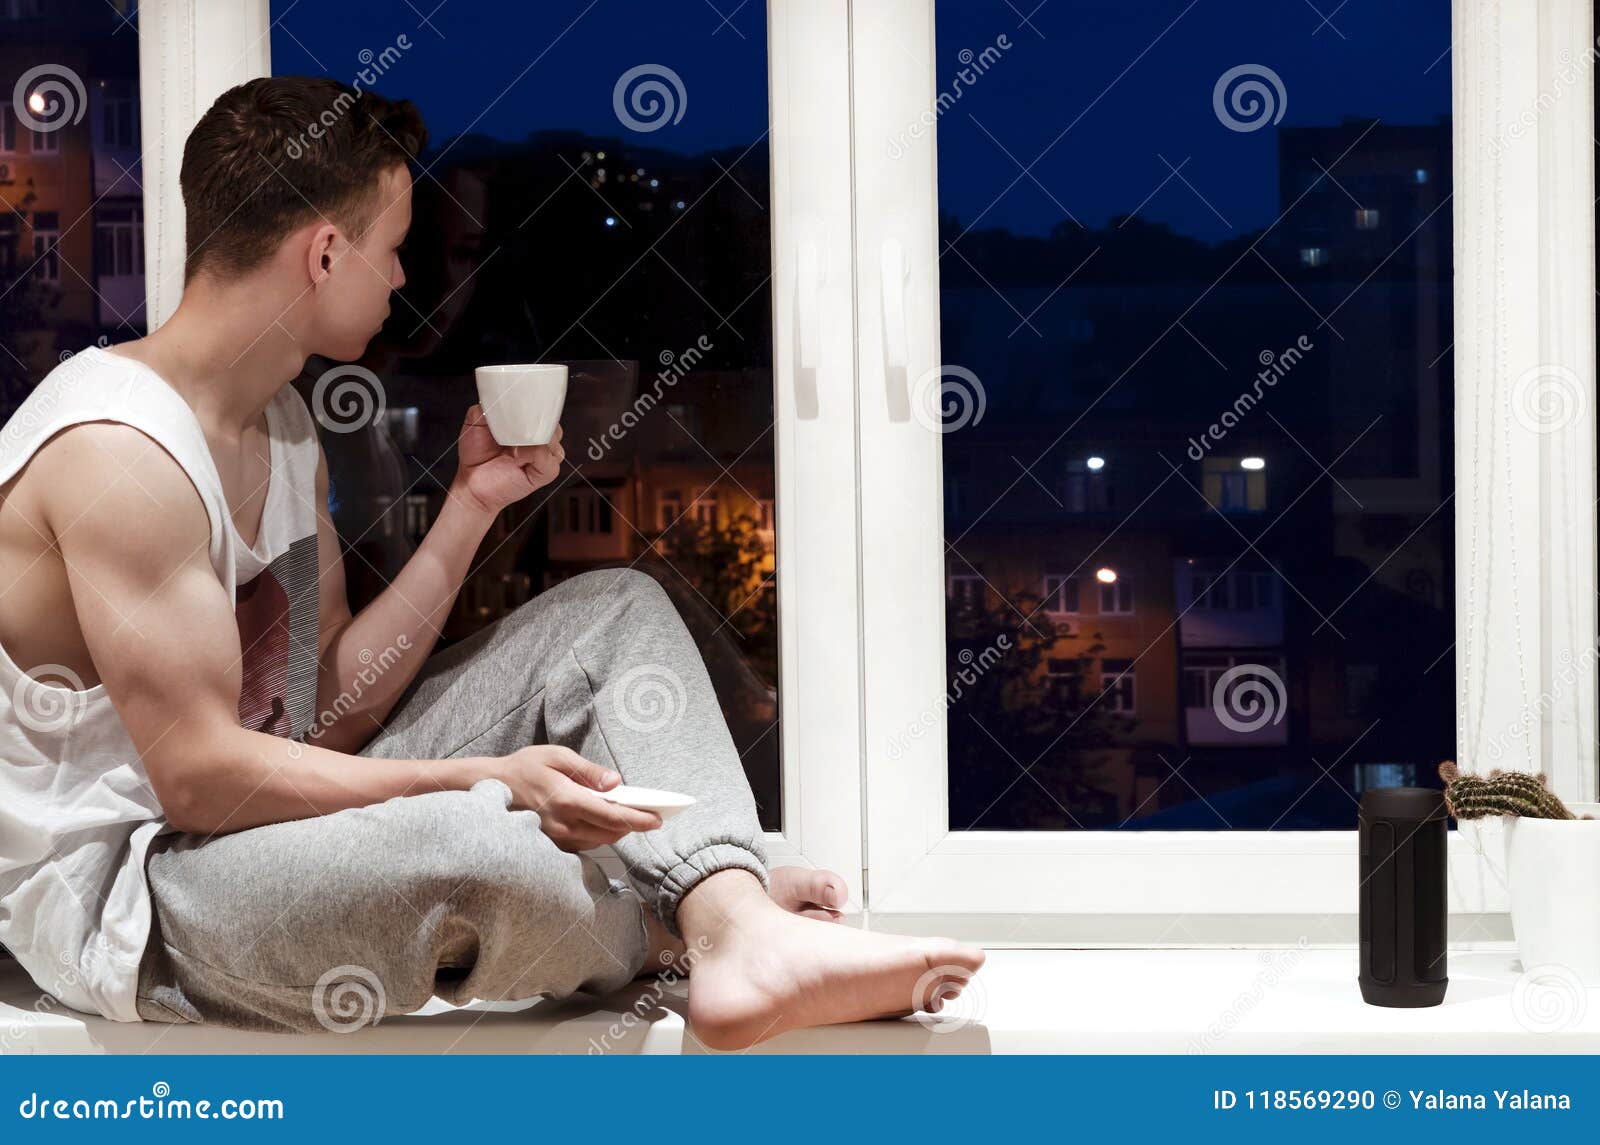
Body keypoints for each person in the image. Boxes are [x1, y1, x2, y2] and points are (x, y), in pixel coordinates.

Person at [0, 76, 982, 1049]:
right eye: (390, 251)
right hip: (145, 900)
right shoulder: (118, 451)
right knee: (469, 843)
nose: (398, 280)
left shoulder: (283, 424)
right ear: (326, 251)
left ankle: (731, 921)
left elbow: (333, 707)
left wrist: (471, 507)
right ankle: (684, 913)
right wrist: (491, 778)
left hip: (257, 823)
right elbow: (201, 781)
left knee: (612, 610)